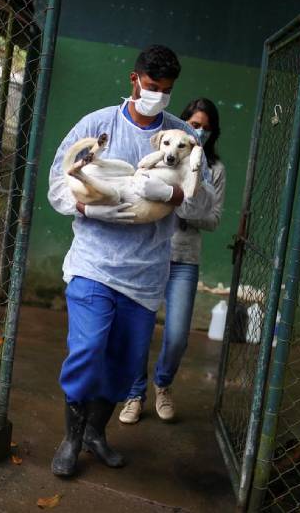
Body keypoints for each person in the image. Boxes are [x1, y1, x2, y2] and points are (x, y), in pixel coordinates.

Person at [46, 45, 213, 477]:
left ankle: (96, 434)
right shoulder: (97, 124)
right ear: (133, 80)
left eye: (167, 90)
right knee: (87, 349)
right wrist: (88, 209)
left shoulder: (182, 138)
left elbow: (205, 207)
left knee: (123, 363)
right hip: (94, 263)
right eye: (152, 86)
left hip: (145, 273)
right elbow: (57, 185)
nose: (158, 96)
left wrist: (175, 194)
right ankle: (70, 438)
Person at [119, 98, 226, 424]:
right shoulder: (159, 157)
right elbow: (137, 192)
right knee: (139, 329)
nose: (199, 131)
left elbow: (214, 219)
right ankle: (134, 393)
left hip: (184, 259)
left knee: (178, 335)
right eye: (194, 124)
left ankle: (162, 385)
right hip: (150, 253)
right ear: (180, 126)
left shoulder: (215, 169)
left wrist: (179, 201)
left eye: (206, 128)